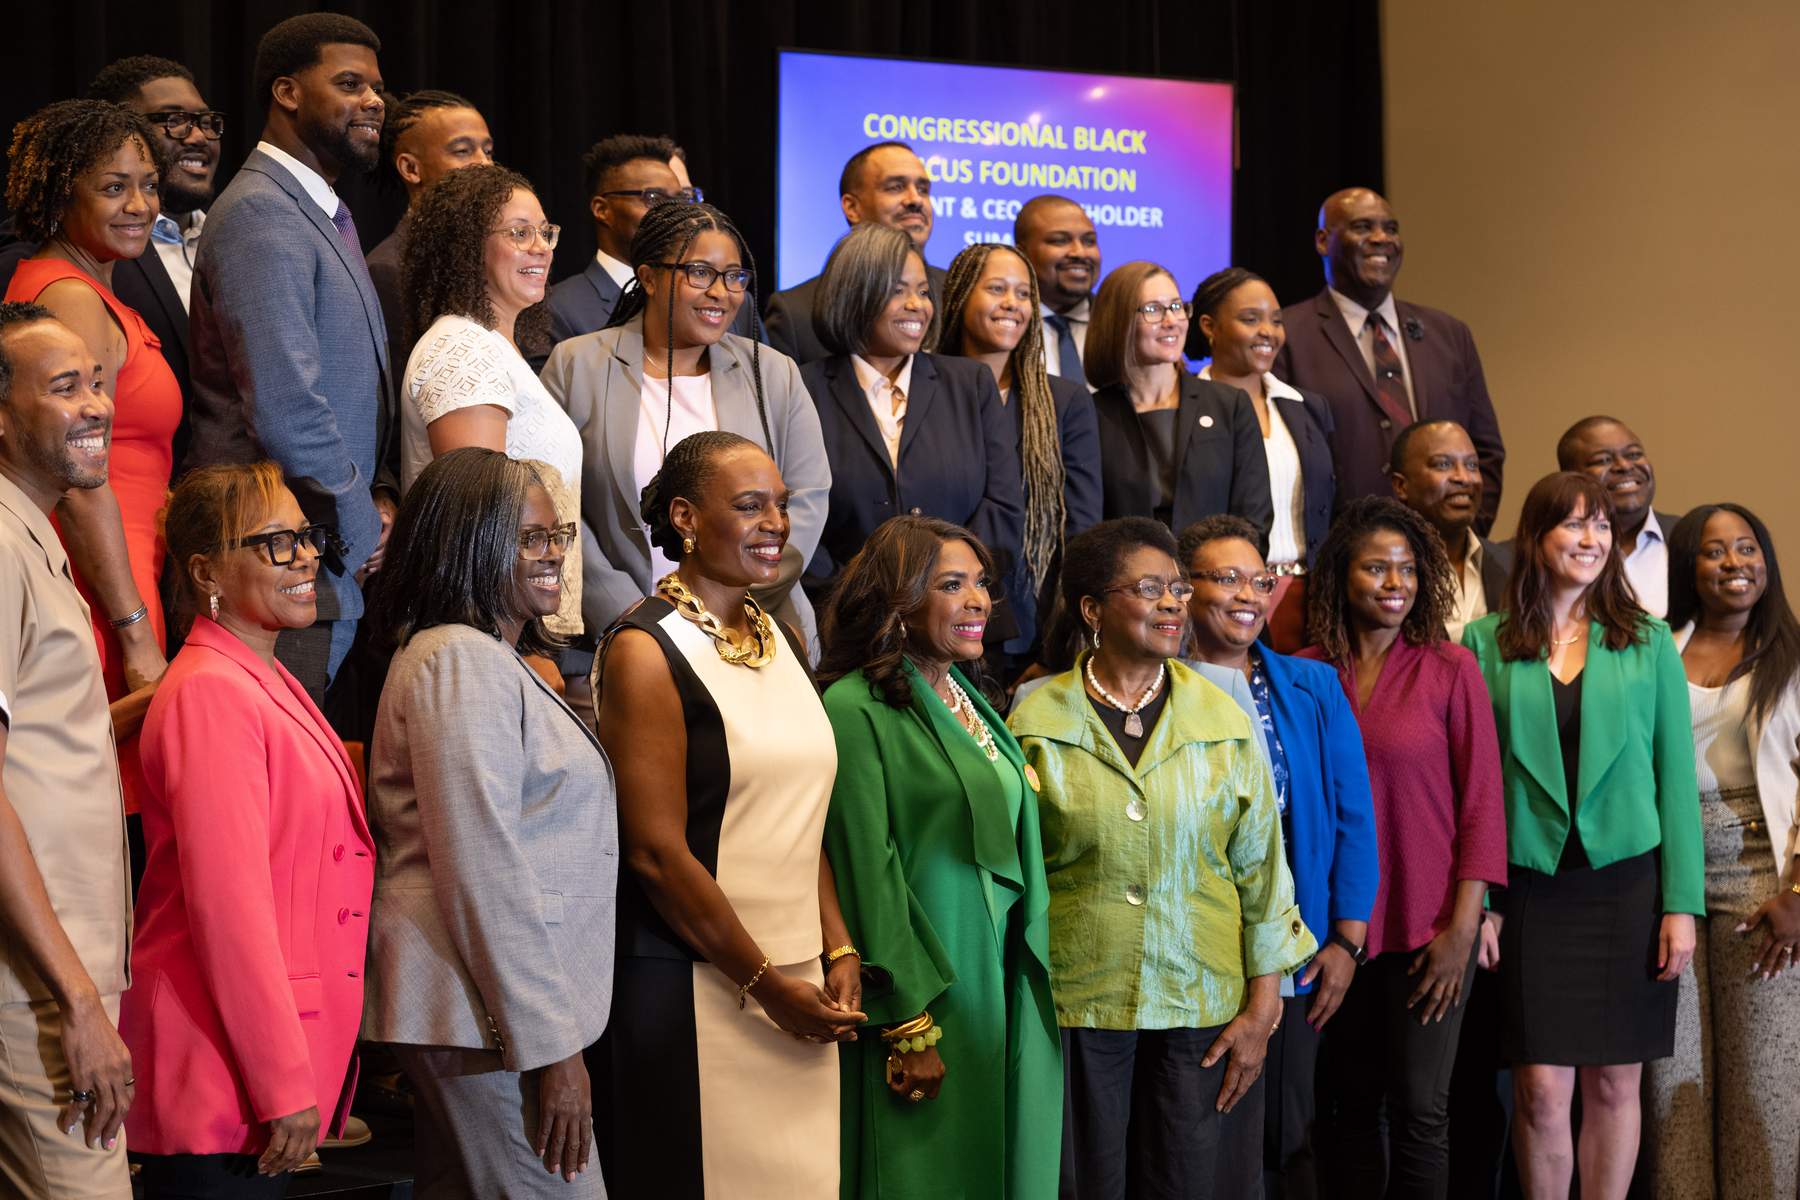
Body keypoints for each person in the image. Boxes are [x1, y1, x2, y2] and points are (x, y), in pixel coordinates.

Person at [1009, 516, 1313, 1196]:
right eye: (1150, 588)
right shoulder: (1035, 719)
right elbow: (1016, 877)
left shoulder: (1223, 719)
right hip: (1080, 1004)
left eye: (1178, 589)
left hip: (1204, 1007)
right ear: (1092, 609)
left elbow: (1264, 873)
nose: (1174, 603)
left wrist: (1264, 1009)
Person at [593, 430, 858, 1196]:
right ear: (685, 517)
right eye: (749, 506)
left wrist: (838, 950)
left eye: (780, 504)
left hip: (800, 984)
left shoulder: (778, 632)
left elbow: (800, 817)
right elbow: (654, 855)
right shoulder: (646, 649)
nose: (775, 522)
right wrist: (767, 984)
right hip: (698, 986)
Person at [362, 447, 615, 1196]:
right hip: (486, 1023)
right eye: (529, 538)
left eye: (556, 537)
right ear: (466, 542)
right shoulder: (458, 661)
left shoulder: (484, 657)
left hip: (486, 1017)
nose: (552, 557)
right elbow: (482, 868)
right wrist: (550, 1048)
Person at [123, 463, 373, 1197]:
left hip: (252, 1068)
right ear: (206, 569)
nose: (301, 556)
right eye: (272, 542)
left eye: (305, 536)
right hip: (221, 1071)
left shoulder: (257, 676)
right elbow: (228, 912)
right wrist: (279, 1078)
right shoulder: (210, 692)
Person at [1461, 472, 1703, 1199]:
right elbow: (1473, 789)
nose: (1592, 540)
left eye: (1601, 527)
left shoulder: (1648, 641)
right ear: (1535, 539)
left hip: (1628, 888)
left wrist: (1680, 905)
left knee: (1615, 1088)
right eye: (1573, 525)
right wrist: (1484, 900)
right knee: (1538, 1090)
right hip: (1529, 890)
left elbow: (1675, 781)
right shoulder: (1484, 642)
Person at [818, 515, 1060, 1198]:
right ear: (899, 601)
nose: (979, 600)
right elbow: (868, 868)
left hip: (998, 975)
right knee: (925, 1172)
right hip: (928, 983)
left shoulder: (970, 699)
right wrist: (908, 1023)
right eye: (952, 585)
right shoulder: (853, 706)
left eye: (981, 584)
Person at [1298, 495, 1507, 1199]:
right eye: (1375, 568)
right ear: (1339, 577)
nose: (1395, 582)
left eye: (1408, 569)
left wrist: (1462, 927)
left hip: (1428, 928)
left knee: (1421, 1110)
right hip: (1332, 932)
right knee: (1350, 1109)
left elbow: (1482, 805)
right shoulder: (1305, 674)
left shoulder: (1450, 668)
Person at [185, 11, 394, 706]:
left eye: (377, 87)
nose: (373, 101)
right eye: (348, 83)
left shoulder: (317, 208)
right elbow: (287, 407)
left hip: (314, 551)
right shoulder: (261, 214)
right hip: (274, 556)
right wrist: (358, 526)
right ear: (287, 92)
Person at [1180, 513, 1381, 1197]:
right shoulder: (1158, 686)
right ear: (1183, 589)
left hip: (1296, 948)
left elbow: (1354, 815)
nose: (1247, 594)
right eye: (1225, 578)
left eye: (1259, 580)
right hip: (1190, 948)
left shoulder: (1313, 686)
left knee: (1286, 1134)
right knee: (1200, 1130)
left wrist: (1347, 943)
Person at [541, 200, 831, 653]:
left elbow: (808, 498)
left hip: (758, 627)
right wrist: (629, 611)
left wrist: (729, 602)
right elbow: (555, 498)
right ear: (650, 277)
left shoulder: (773, 372)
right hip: (629, 630)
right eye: (700, 272)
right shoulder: (578, 364)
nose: (722, 292)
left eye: (734, 276)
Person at [4, 98, 181, 807]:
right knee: (102, 805)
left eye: (148, 183)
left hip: (115, 572)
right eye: (114, 187)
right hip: (104, 581)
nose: (139, 204)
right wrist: (135, 633)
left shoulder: (90, 289)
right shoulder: (71, 300)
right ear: (58, 192)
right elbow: (78, 479)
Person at [0, 303, 133, 1199]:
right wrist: (76, 1001)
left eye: (96, 381)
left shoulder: (34, 529)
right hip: (37, 986)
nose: (96, 405)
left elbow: (41, 741)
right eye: (62, 387)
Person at [1646, 503, 1800, 1199]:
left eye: (1747, 548)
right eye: (1715, 551)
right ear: (1688, 566)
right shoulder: (1654, 650)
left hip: (1765, 888)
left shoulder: (1793, 657)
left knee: (1762, 1092)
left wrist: (1798, 894)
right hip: (1666, 889)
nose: (1734, 563)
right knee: (1672, 1090)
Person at [399, 164, 582, 648]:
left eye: (545, 232)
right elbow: (478, 523)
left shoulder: (494, 346)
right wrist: (523, 651)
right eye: (519, 233)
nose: (540, 246)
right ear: (467, 247)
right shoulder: (464, 350)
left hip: (519, 629)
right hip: (492, 636)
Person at [798, 222, 1023, 606]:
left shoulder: (970, 384)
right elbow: (796, 517)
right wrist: (860, 600)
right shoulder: (803, 388)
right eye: (897, 291)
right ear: (854, 294)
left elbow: (1002, 509)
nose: (917, 305)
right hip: (845, 621)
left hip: (965, 622)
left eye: (922, 291)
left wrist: (947, 591)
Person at [1274, 188, 1505, 533]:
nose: (1381, 239)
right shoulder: (1286, 335)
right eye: (1363, 227)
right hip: (1339, 556)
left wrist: (1465, 535)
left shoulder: (1449, 334)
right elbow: (1279, 458)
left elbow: (1485, 449)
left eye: (1391, 229)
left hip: (1442, 549)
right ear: (1324, 241)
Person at [932, 240, 1102, 666]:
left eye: (1024, 294)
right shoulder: (923, 395)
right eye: (996, 289)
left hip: (1034, 633)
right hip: (933, 621)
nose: (1013, 304)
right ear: (959, 295)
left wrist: (1055, 647)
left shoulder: (1065, 402)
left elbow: (1080, 533)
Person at [1188, 267, 1336, 651]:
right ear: (1209, 326)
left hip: (1311, 597)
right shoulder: (1185, 410)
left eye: (1276, 320)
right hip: (1227, 599)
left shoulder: (1306, 407)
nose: (1268, 332)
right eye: (1250, 319)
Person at [1086, 260, 1272, 540]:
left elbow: (1254, 519)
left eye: (1176, 306)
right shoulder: (1091, 414)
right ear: (1118, 321)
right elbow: (1088, 527)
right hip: (1129, 580)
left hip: (1216, 579)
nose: (1172, 321)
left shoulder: (1229, 405)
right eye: (1153, 310)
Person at [765, 141, 946, 364]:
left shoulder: (957, 296)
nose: (915, 200)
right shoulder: (795, 314)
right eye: (896, 187)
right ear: (852, 207)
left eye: (923, 190)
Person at [365, 89, 494, 395]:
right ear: (411, 168)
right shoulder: (389, 270)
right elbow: (405, 397)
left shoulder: (496, 256)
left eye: (488, 151)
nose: (485, 165)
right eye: (463, 151)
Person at [546, 133, 710, 347]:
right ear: (602, 209)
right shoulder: (560, 311)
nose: (674, 213)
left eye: (680, 200)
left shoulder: (715, 299)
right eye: (654, 198)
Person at [1389, 418, 1511, 642]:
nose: (1463, 478)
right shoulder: (1386, 575)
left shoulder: (1510, 565)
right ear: (1401, 486)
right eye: (1443, 464)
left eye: (1472, 465)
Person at [1557, 416, 1676, 619]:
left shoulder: (1689, 537)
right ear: (1571, 477)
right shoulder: (1551, 551)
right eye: (1603, 460)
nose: (1624, 466)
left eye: (1634, 454)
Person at [1013, 194, 1100, 388]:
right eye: (1060, 241)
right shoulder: (1002, 328)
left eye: (1089, 241)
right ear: (1021, 253)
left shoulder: (1121, 326)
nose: (1079, 253)